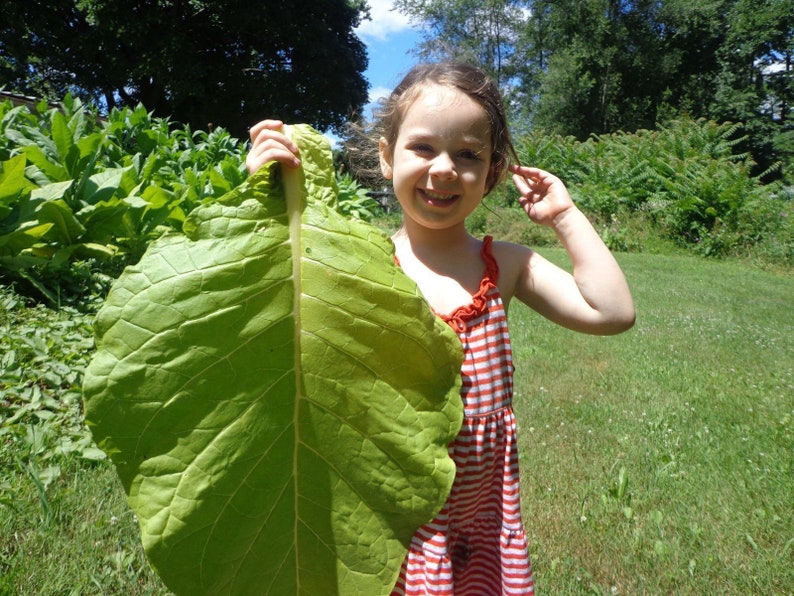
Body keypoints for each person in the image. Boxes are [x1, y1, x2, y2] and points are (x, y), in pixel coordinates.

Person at [245, 62, 635, 595]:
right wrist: (267, 191)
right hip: (392, 504)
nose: (445, 168)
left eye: (469, 155)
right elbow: (275, 301)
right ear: (386, 157)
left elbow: (611, 313)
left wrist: (564, 216)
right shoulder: (362, 260)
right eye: (423, 148)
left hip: (478, 516)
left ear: (493, 173)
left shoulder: (509, 265)